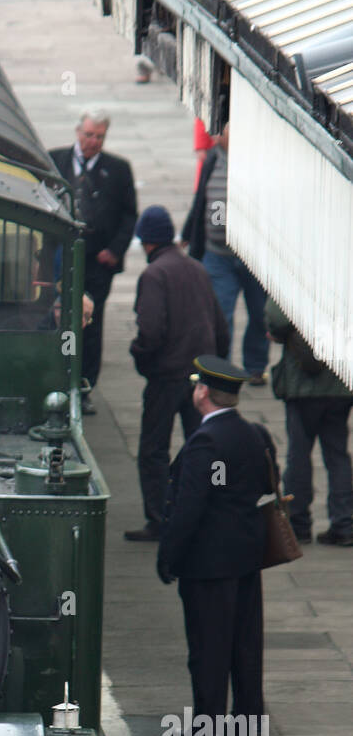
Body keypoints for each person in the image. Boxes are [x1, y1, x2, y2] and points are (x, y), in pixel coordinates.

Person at [157, 356, 275, 719]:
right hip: (246, 559)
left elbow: (189, 508)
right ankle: (248, 717)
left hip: (208, 565)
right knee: (244, 645)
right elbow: (268, 485)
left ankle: (208, 723)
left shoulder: (206, 442)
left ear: (203, 391)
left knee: (208, 647)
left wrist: (168, 556)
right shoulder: (255, 434)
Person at [124, 206, 230, 542]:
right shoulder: (197, 268)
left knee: (154, 449)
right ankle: (205, 513)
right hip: (202, 375)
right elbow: (221, 326)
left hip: (167, 377)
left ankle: (159, 519)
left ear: (146, 242)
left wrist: (141, 358)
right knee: (201, 444)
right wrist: (214, 367)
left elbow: (151, 331)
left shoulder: (154, 276)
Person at [49, 112, 137, 412]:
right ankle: (56, 377)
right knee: (58, 314)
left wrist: (115, 250)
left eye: (99, 137)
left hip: (98, 262)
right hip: (62, 259)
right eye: (89, 135)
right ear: (78, 132)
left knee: (91, 320)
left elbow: (129, 215)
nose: (93, 142)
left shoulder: (118, 169)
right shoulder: (54, 161)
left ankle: (85, 384)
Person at [181, 122, 268, 385]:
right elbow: (201, 200)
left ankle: (255, 366)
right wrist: (188, 233)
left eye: (222, 133)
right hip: (217, 254)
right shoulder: (212, 160)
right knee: (221, 313)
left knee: (259, 314)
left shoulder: (257, 162)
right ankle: (221, 365)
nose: (215, 136)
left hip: (252, 256)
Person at [265, 300, 353, 546]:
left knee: (299, 454)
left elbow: (277, 320)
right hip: (339, 381)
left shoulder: (298, 270)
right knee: (337, 455)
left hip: (302, 383)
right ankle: (344, 523)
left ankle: (298, 523)